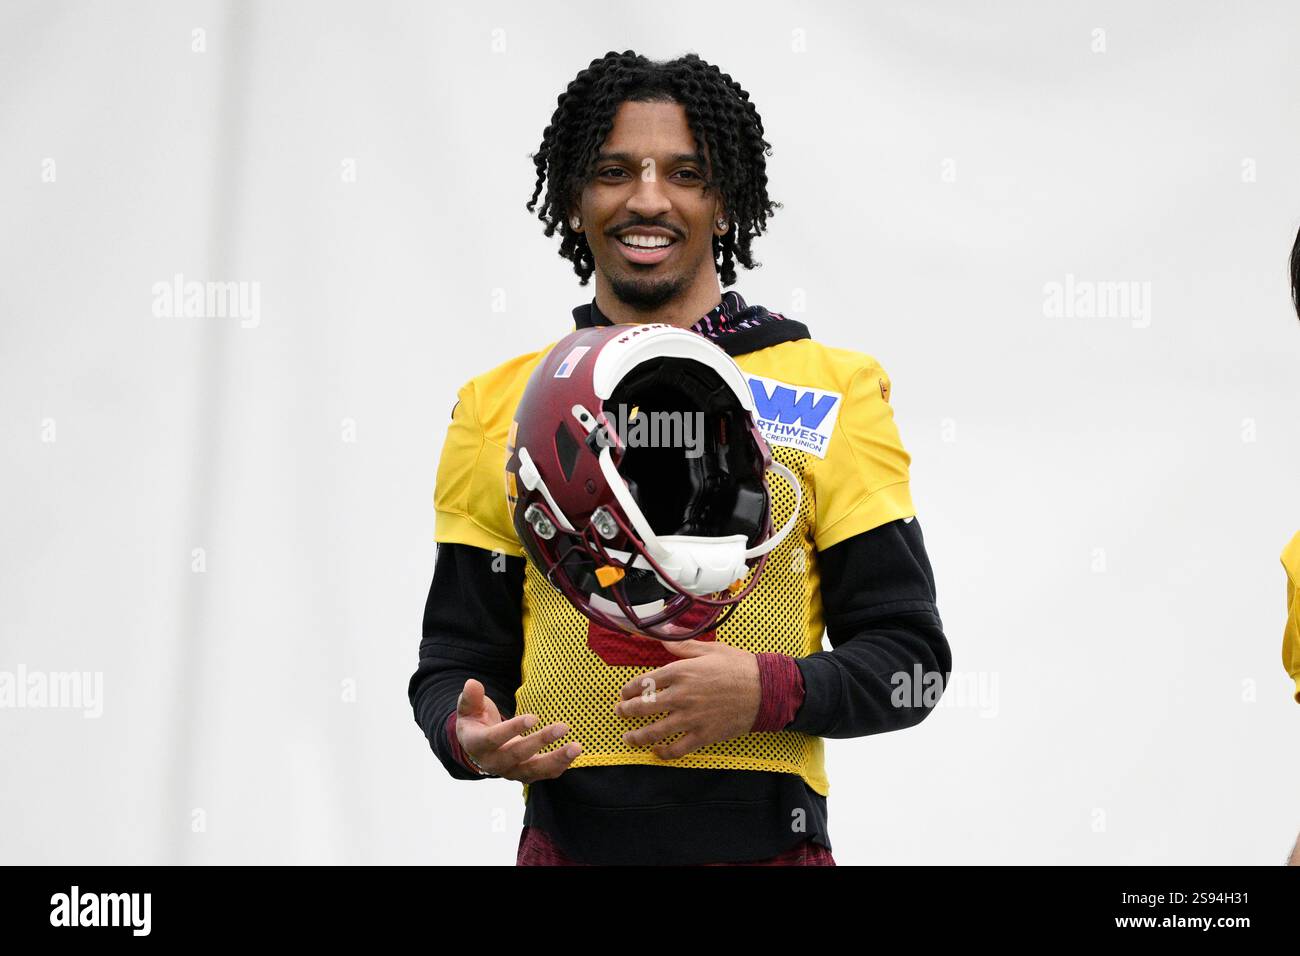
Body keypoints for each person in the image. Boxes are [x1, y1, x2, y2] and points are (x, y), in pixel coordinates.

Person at [408, 50, 951, 866]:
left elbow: (914, 662)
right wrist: (465, 734)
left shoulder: (830, 388)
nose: (648, 198)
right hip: (565, 845)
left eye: (685, 173)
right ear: (575, 199)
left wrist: (766, 690)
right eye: (614, 171)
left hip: (770, 844)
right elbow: (454, 663)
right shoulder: (502, 405)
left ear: (724, 201)